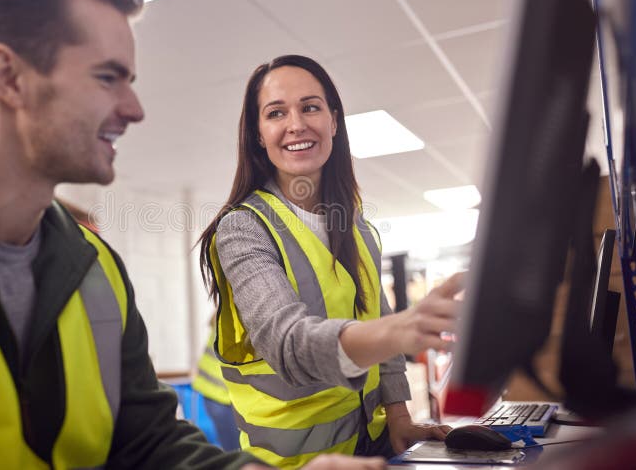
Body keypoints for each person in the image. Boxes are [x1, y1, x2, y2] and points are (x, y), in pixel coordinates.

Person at [0, 0, 392, 470]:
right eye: (108, 77)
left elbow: (147, 441)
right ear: (8, 76)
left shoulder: (97, 268)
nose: (133, 109)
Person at [198, 54, 463, 468]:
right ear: (258, 135)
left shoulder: (358, 228)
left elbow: (379, 319)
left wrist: (399, 417)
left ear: (334, 122)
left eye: (310, 107)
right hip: (298, 464)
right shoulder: (243, 229)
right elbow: (288, 343)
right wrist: (398, 330)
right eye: (276, 113)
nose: (296, 124)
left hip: (374, 445)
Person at [191, 322, 241, 451]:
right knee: (236, 451)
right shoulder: (241, 314)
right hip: (223, 396)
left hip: (214, 393)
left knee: (233, 450)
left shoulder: (225, 310)